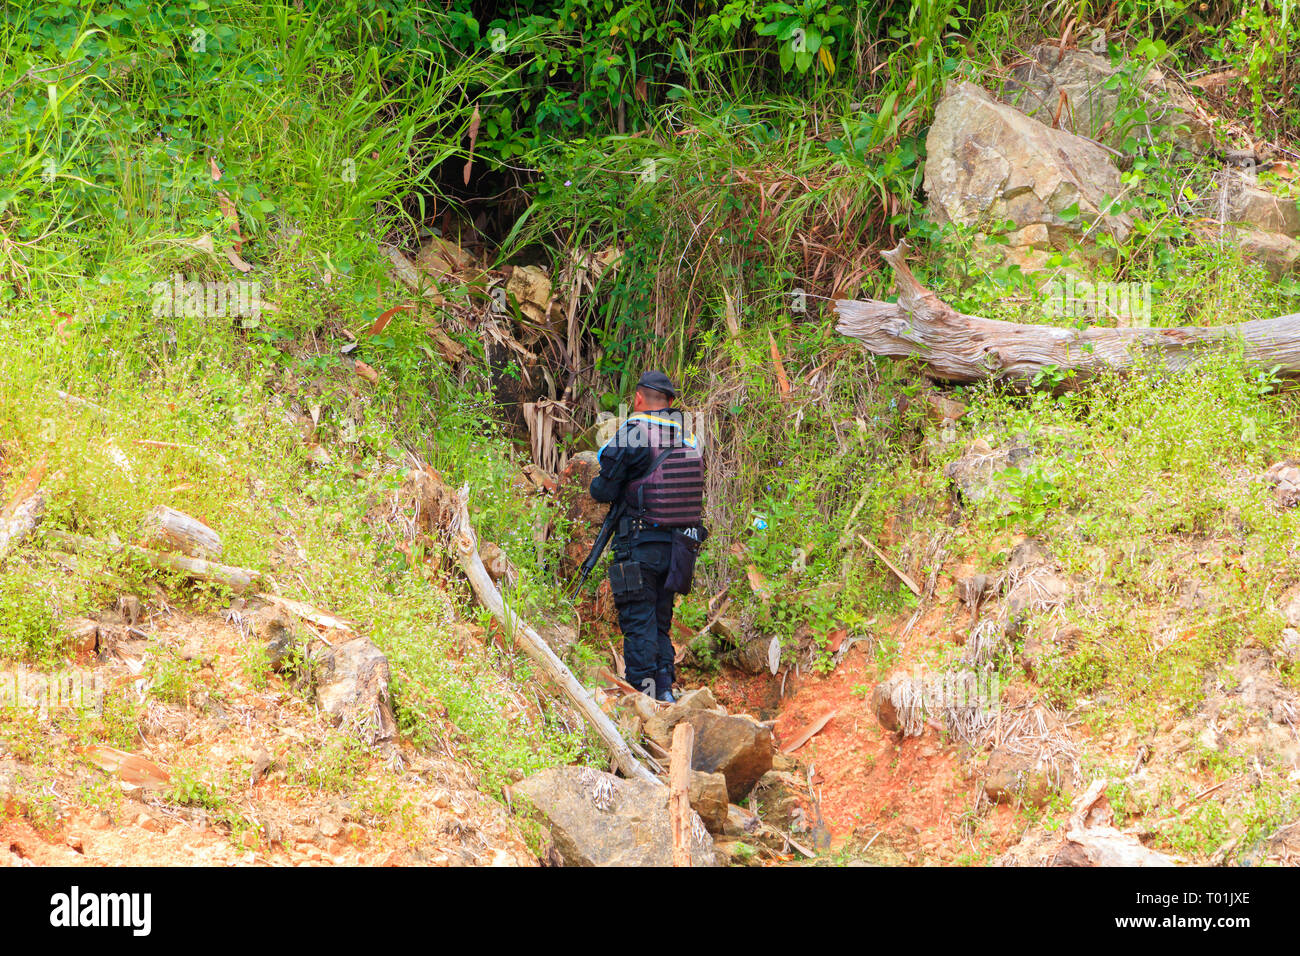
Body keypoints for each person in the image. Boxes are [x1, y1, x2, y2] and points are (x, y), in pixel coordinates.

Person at [589, 370, 705, 703]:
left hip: (637, 545)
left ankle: (644, 697)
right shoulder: (689, 439)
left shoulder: (633, 432)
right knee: (659, 622)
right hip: (678, 552)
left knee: (639, 621)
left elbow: (602, 489)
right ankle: (665, 690)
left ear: (638, 399)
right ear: (670, 403)